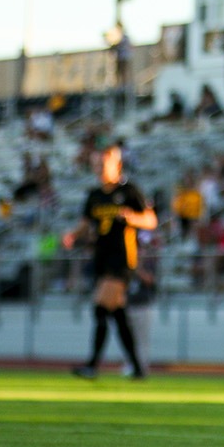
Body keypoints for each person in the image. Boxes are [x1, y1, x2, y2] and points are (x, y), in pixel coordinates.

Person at [67, 139, 157, 379]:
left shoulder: (129, 191)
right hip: (101, 257)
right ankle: (137, 368)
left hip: (122, 258)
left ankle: (92, 365)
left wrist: (131, 218)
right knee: (118, 314)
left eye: (104, 163)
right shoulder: (94, 195)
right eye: (96, 164)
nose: (99, 168)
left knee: (100, 308)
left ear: (117, 164)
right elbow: (85, 223)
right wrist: (72, 236)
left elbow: (150, 220)